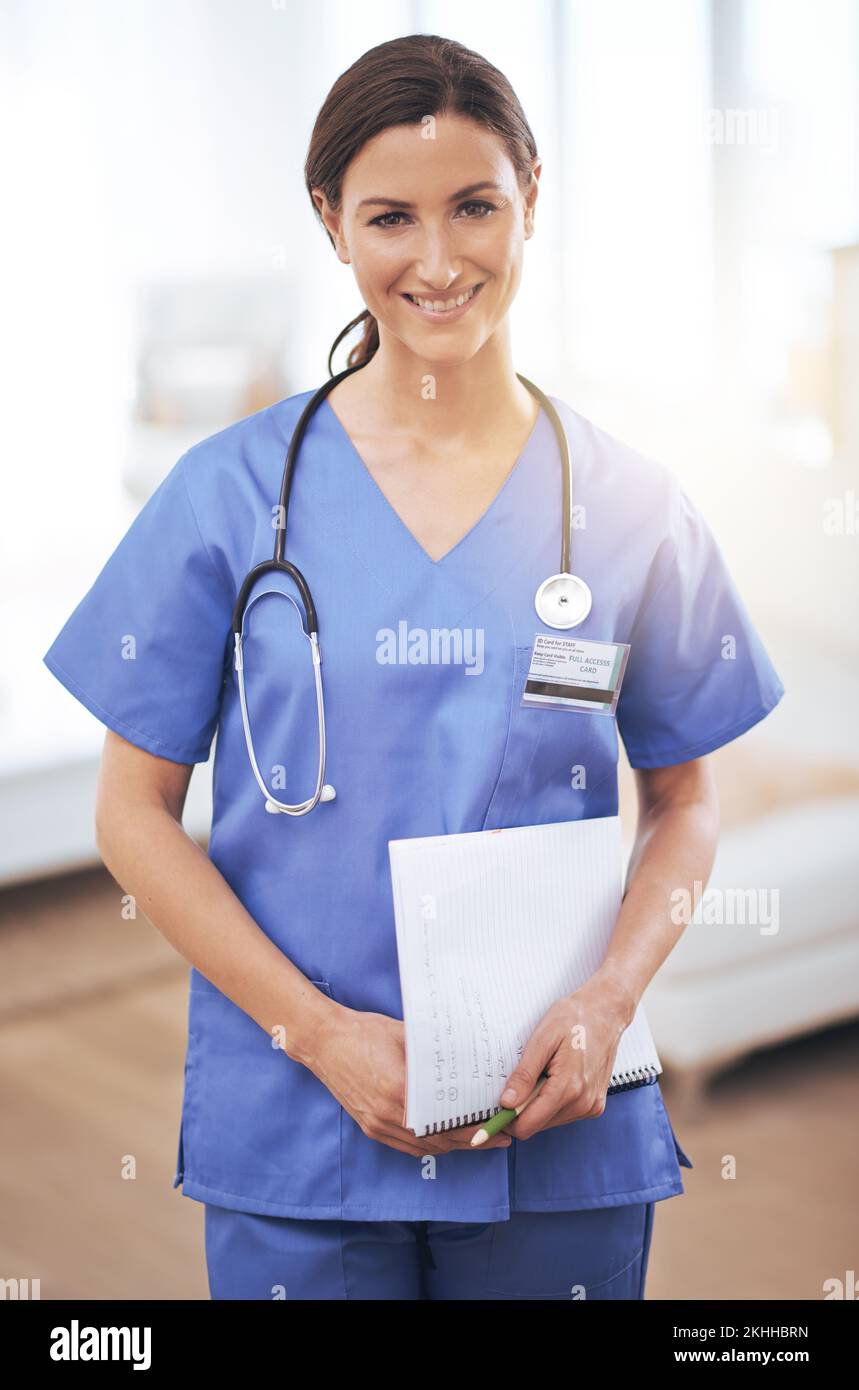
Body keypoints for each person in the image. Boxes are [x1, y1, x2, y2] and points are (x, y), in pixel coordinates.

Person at [43, 33, 784, 1301]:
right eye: (390, 216)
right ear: (331, 223)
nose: (437, 262)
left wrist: (609, 1000)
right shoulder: (226, 498)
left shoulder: (633, 503)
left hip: (554, 1117)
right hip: (301, 1122)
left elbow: (684, 799)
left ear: (532, 198)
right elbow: (132, 812)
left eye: (475, 206)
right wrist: (317, 1034)